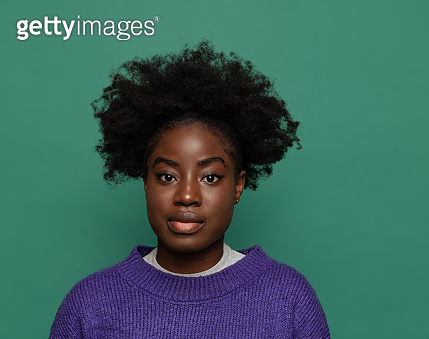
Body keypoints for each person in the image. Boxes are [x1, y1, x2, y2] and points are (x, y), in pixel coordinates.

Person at [49, 41, 330, 338]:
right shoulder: (88, 304)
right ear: (145, 182)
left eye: (209, 178)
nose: (186, 196)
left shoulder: (290, 299)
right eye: (167, 176)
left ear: (238, 186)